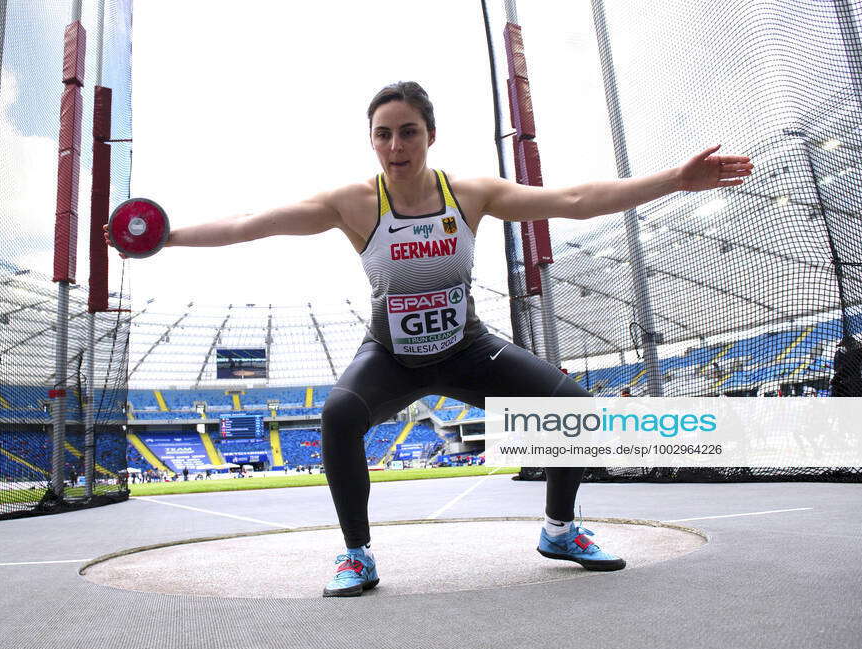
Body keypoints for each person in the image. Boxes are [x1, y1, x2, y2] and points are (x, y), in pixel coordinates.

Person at [105, 81, 753, 597]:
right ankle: (356, 554)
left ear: (430, 136)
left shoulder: (468, 192)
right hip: (391, 357)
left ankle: (559, 530)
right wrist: (167, 236)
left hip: (468, 350)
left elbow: (575, 198)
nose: (395, 145)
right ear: (371, 143)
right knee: (337, 415)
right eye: (382, 134)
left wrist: (673, 179)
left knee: (575, 407)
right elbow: (252, 222)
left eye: (407, 131)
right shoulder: (353, 203)